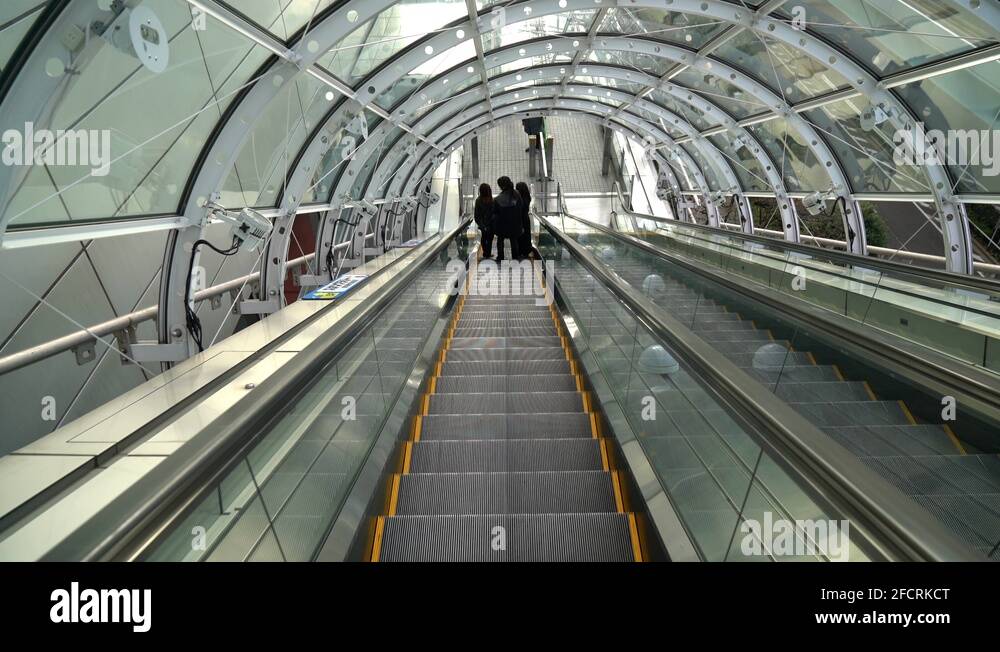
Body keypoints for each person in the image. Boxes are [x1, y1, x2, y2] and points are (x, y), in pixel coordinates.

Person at [493, 176, 522, 261]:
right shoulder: (517, 194)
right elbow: (521, 207)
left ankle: (500, 257)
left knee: (500, 241)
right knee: (514, 240)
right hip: (514, 224)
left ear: (502, 186)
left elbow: (495, 212)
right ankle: (515, 257)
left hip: (501, 225)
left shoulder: (497, 199)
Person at [515, 181, 540, 259]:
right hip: (526, 219)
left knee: (519, 236)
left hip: (520, 219)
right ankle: (525, 251)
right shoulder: (527, 197)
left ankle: (520, 251)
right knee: (526, 235)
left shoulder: (519, 199)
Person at [474, 183, 496, 258]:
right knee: (489, 238)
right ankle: (487, 253)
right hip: (490, 224)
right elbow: (494, 213)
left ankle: (486, 253)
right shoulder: (491, 199)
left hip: (483, 224)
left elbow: (477, 216)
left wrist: (482, 225)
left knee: (484, 238)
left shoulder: (478, 201)